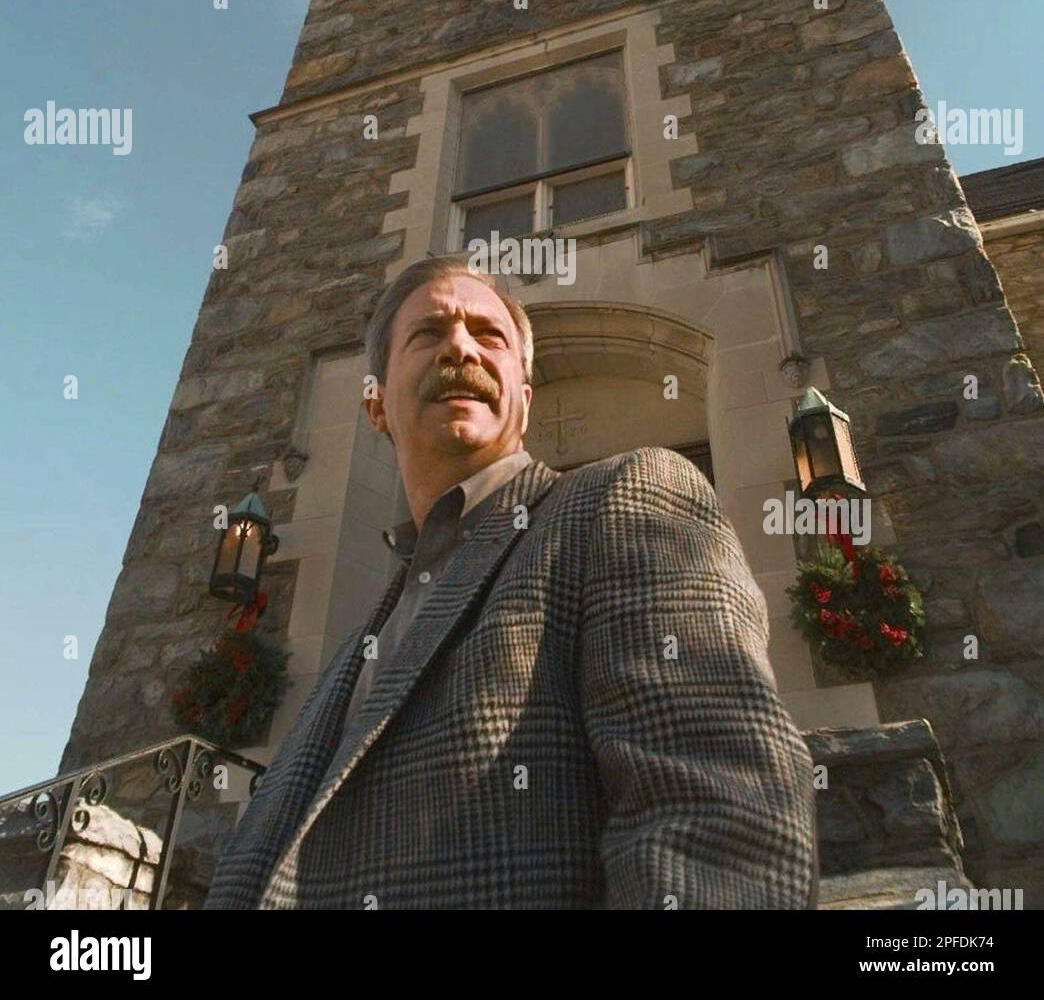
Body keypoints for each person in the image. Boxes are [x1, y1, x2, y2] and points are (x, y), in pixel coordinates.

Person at [204, 253, 818, 909]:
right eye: (429, 333)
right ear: (375, 403)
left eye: (488, 334)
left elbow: (723, 821)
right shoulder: (357, 647)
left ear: (524, 400)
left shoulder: (627, 498)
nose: (461, 346)